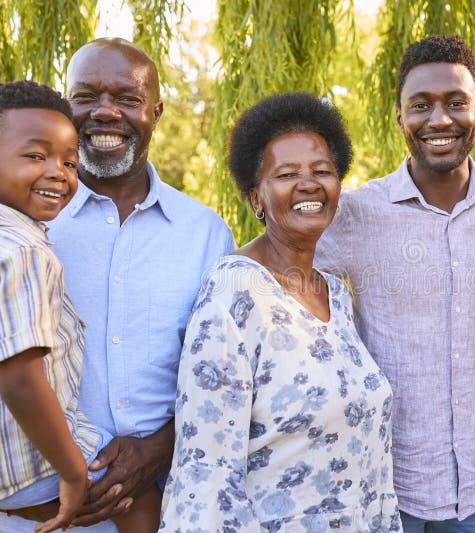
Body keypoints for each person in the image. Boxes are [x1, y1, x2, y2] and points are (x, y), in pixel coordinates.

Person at [0, 39, 236, 533]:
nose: (105, 112)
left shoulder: (206, 234)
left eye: (126, 98)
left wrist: (156, 450)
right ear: (66, 106)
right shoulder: (21, 228)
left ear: (156, 112)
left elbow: (225, 376)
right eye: (86, 97)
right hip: (32, 516)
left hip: (162, 508)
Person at [159, 92, 401, 532]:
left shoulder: (335, 295)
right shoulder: (234, 295)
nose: (308, 184)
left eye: (322, 172)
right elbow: (206, 473)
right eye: (287, 174)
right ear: (256, 198)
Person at [316, 35, 475, 531]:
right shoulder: (357, 214)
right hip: (384, 480)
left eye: (456, 103)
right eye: (420, 105)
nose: (439, 120)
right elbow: (287, 288)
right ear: (399, 118)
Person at [0, 81, 159, 532]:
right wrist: (71, 472)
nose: (61, 173)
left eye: (69, 161)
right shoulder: (22, 253)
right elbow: (23, 383)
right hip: (32, 463)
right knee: (138, 494)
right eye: (35, 156)